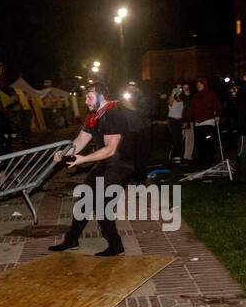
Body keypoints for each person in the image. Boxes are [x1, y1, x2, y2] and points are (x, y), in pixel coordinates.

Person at [48, 83, 151, 256]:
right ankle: (72, 239)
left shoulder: (113, 115)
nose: (86, 101)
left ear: (101, 96)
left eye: (89, 97)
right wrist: (64, 153)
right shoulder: (94, 116)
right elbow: (80, 141)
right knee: (85, 198)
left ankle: (115, 244)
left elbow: (111, 148)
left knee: (102, 203)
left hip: (120, 163)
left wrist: (84, 159)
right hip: (106, 162)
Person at [190, 78, 221, 167]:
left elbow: (217, 105)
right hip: (198, 123)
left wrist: (217, 115)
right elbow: (192, 109)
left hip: (208, 121)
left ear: (205, 85)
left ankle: (211, 159)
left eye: (201, 84)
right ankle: (201, 159)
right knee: (200, 142)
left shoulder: (211, 95)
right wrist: (186, 119)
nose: (198, 85)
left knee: (208, 140)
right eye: (197, 84)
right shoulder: (195, 96)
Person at [166, 84, 186, 161]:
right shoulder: (171, 98)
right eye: (177, 87)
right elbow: (170, 103)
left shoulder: (182, 99)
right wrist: (173, 93)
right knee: (176, 138)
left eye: (180, 88)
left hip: (179, 120)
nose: (178, 89)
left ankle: (177, 155)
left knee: (180, 138)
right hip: (172, 120)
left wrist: (184, 121)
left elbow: (183, 111)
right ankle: (173, 155)